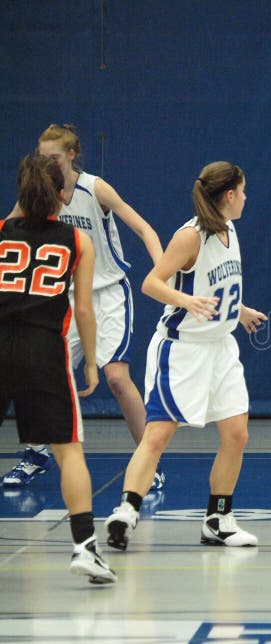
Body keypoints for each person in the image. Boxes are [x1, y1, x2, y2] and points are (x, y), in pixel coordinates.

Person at [105, 161, 267, 550]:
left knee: (237, 433)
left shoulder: (231, 228)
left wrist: (238, 311)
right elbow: (151, 283)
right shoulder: (190, 236)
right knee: (158, 434)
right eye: (243, 191)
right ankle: (126, 511)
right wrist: (185, 300)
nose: (246, 197)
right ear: (229, 195)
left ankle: (218, 519)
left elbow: (219, 281)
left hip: (221, 348)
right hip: (182, 349)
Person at [2, 124, 165, 492]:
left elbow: (144, 229)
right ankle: (35, 453)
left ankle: (147, 458)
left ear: (72, 155)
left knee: (117, 379)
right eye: (42, 158)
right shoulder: (38, 194)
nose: (48, 164)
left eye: (54, 158)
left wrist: (163, 270)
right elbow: (10, 230)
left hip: (107, 294)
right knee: (38, 373)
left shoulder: (95, 188)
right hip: (65, 296)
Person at [0, 154, 116, 583]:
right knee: (69, 451)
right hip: (43, 350)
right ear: (61, 194)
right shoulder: (75, 240)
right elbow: (83, 310)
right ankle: (85, 546)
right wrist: (90, 362)